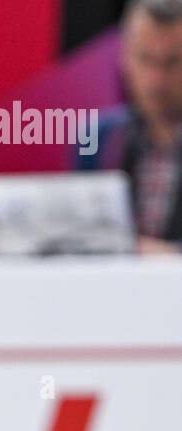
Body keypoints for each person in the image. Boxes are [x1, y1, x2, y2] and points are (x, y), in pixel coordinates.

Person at [76, 0, 182, 254]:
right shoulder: (98, 138)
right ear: (124, 58)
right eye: (145, 59)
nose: (156, 79)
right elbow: (81, 238)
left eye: (173, 62)